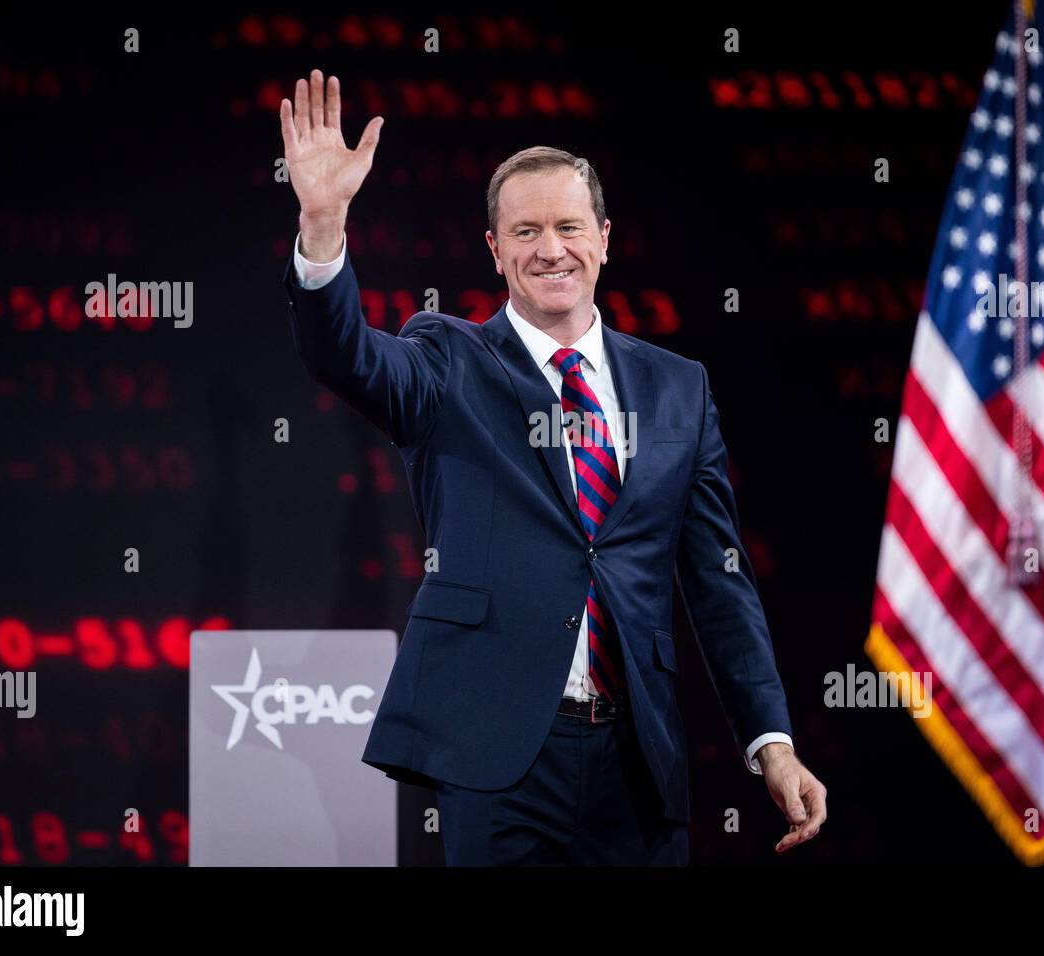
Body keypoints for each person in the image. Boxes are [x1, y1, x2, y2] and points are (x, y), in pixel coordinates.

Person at [279, 69, 827, 865]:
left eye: (569, 226)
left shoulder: (680, 386)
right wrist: (323, 227)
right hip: (498, 758)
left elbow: (719, 580)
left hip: (638, 760)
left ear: (605, 237)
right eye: (526, 232)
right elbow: (345, 357)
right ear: (496, 251)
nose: (551, 249)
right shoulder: (446, 359)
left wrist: (770, 742)